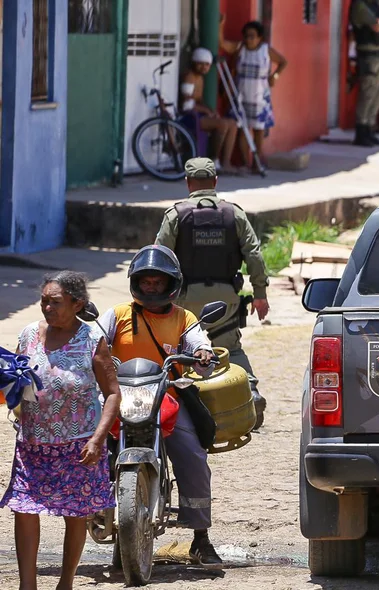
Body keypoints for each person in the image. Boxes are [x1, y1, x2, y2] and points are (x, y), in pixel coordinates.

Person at [96, 245, 222, 566]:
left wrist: (203, 354)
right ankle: (94, 508)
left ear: (171, 285)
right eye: (146, 282)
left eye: (158, 283)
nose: (151, 288)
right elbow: (94, 340)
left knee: (192, 453)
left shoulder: (185, 317)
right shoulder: (119, 313)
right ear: (136, 282)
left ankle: (200, 536)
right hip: (121, 396)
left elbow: (199, 346)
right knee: (90, 442)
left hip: (166, 398)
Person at [1, 271, 121, 590]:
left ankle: (65, 582)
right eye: (44, 301)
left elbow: (112, 392)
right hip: (32, 442)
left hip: (78, 445)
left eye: (55, 302)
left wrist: (98, 440)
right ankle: (28, 585)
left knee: (75, 513)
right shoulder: (28, 334)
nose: (47, 308)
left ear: (77, 303)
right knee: (24, 509)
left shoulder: (92, 340)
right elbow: (16, 378)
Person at [155, 157, 270, 429]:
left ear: (187, 183)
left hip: (185, 298)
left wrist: (159, 299)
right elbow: (254, 254)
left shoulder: (176, 215)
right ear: (216, 182)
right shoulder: (234, 214)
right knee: (231, 347)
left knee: (181, 349)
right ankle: (250, 391)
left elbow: (160, 257)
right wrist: (260, 293)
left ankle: (179, 403)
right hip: (226, 296)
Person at [218, 17, 288, 173]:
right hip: (242, 94)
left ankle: (257, 162)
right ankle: (246, 162)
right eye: (247, 36)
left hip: (259, 96)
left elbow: (283, 62)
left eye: (252, 36)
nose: (249, 39)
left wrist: (274, 76)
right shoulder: (240, 48)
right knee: (243, 129)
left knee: (258, 130)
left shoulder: (265, 50)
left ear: (259, 37)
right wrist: (220, 27)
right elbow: (223, 44)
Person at [179, 47, 243, 175]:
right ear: (194, 62)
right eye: (200, 64)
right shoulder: (190, 77)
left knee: (232, 124)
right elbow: (186, 105)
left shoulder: (200, 79)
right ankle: (213, 161)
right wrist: (207, 112)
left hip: (197, 114)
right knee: (222, 124)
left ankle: (225, 163)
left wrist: (211, 111)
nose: (203, 67)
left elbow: (199, 101)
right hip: (187, 117)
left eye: (206, 65)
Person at [350, 0, 379, 146]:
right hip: (368, 55)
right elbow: (377, 26)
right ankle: (361, 132)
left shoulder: (375, 5)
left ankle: (370, 129)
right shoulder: (360, 5)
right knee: (367, 94)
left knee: (377, 95)